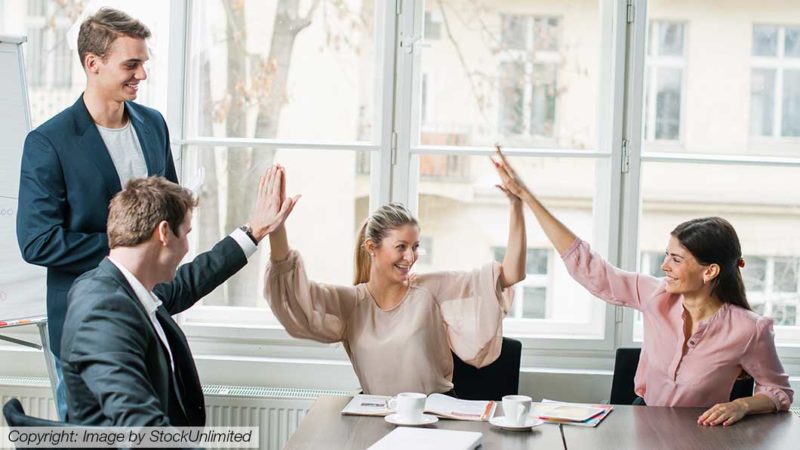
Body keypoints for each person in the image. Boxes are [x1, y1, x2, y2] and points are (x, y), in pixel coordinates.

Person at [490, 147, 793, 426]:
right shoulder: (655, 294)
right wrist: (527, 197)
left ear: (710, 271)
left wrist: (742, 405)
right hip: (644, 426)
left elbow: (778, 390)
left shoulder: (749, 329)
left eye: (676, 259)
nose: (664, 266)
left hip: (701, 434)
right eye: (666, 255)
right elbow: (589, 267)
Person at [16, 8, 175, 419]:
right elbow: (37, 241)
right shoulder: (48, 142)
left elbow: (171, 211)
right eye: (131, 64)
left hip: (152, 317)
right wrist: (125, 254)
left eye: (144, 63)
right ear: (93, 63)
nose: (142, 74)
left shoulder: (154, 125)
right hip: (85, 324)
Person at [263, 164, 526, 396]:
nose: (410, 257)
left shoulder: (432, 289)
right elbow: (294, 294)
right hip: (379, 420)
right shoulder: (351, 303)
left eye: (415, 246)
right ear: (371, 247)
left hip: (435, 417)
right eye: (401, 247)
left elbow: (510, 274)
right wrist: (277, 230)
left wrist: (517, 205)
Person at [60, 169, 296, 426]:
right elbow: (139, 426)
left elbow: (190, 281)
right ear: (163, 232)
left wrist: (254, 231)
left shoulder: (129, 290)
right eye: (186, 233)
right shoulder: (103, 310)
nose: (186, 247)